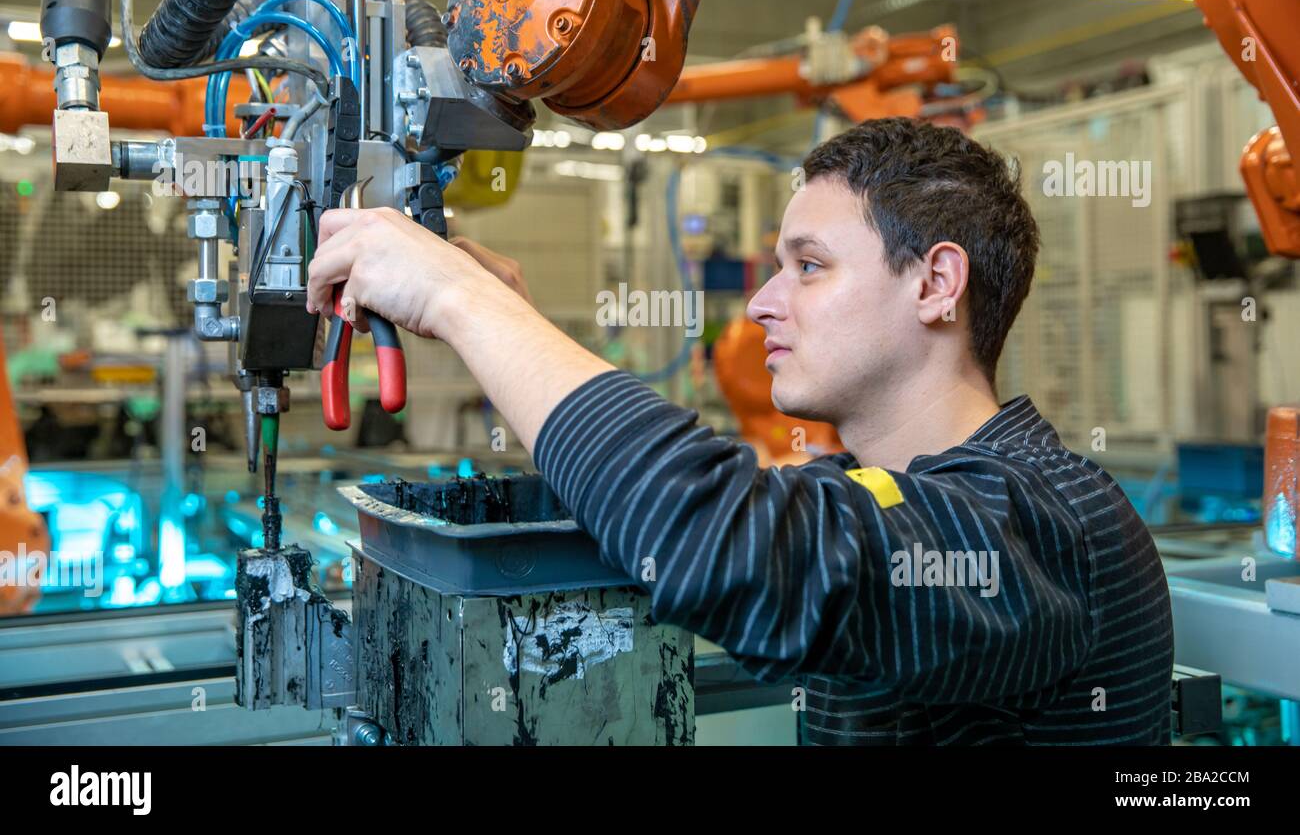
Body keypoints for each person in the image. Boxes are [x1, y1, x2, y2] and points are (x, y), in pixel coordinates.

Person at [306, 117, 1174, 745]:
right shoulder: (885, 489)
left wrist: (465, 304)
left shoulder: (1047, 520)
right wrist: (515, 330)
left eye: (808, 266)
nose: (761, 304)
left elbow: (715, 543)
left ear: (937, 284)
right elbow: (685, 519)